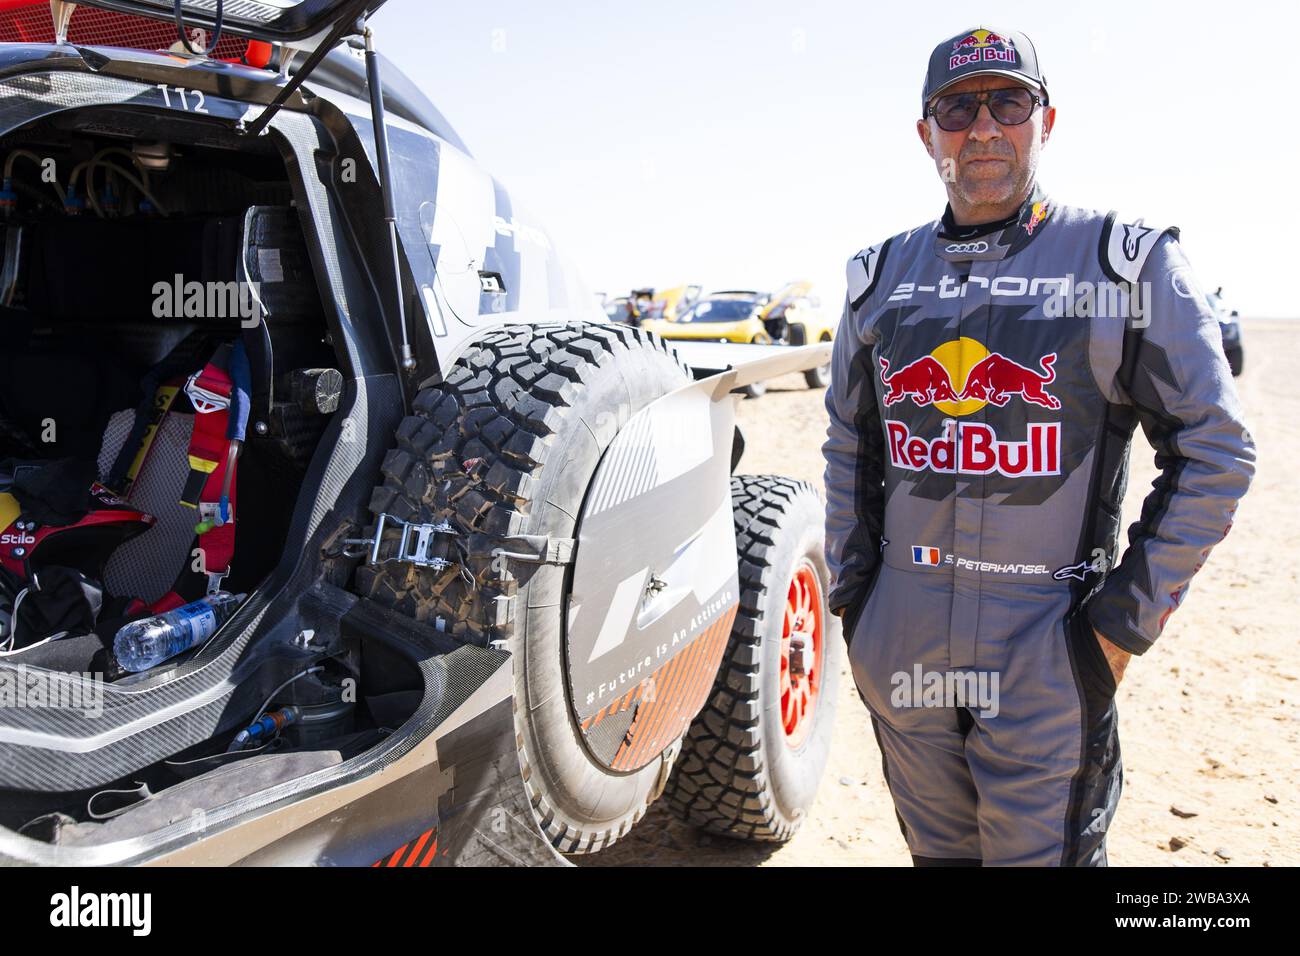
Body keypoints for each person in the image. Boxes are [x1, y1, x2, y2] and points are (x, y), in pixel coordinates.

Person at [821, 26, 1255, 866]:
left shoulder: (1124, 264)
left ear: (1044, 119)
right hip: (900, 643)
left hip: (1048, 649)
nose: (983, 127)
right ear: (926, 133)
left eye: (1007, 101)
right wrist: (855, 598)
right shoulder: (877, 277)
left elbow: (1215, 453)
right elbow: (848, 440)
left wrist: (1120, 630)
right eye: (957, 107)